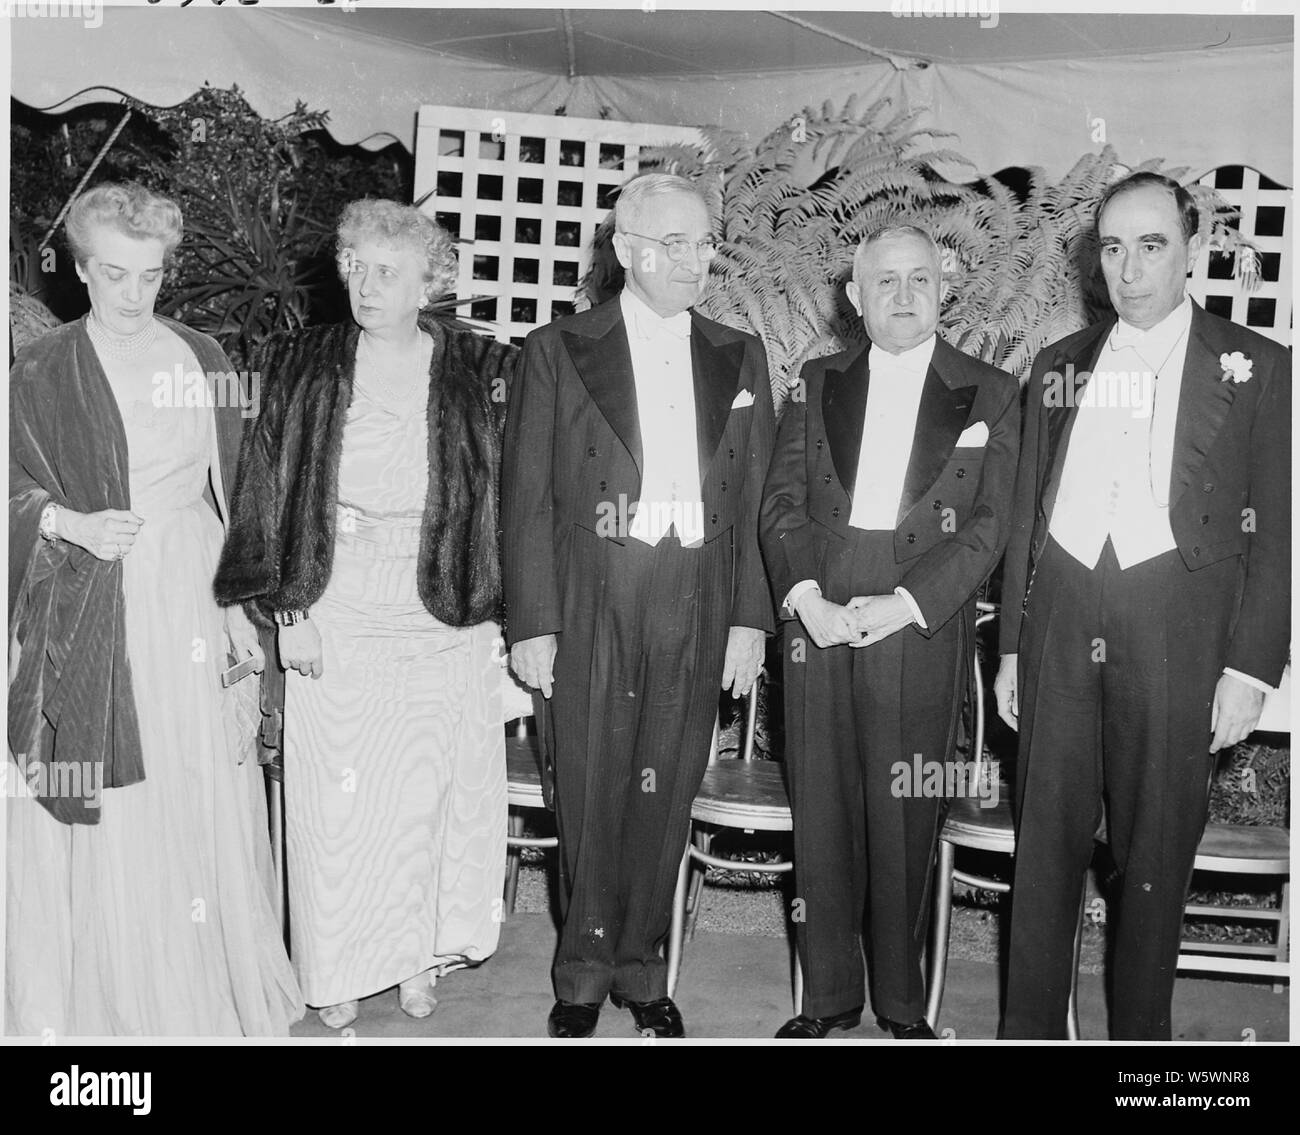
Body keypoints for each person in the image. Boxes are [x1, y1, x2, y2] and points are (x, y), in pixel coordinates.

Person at [994, 171, 1290, 1039]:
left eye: (1150, 245)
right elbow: (1025, 517)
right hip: (1060, 619)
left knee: (1153, 858)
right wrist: (1013, 644)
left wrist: (1249, 666)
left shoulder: (1257, 366)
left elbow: (1276, 529)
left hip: (1178, 630)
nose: (1129, 268)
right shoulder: (1060, 364)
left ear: (1190, 250)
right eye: (1113, 247)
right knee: (1042, 851)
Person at [7, 182, 303, 1035]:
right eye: (114, 274)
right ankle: (109, 1000)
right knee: (110, 793)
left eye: (149, 276)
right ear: (79, 270)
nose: (133, 296)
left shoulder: (206, 356)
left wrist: (246, 610)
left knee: (196, 781)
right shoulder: (42, 365)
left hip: (189, 587)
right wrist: (67, 521)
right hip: (86, 590)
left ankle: (196, 990)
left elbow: (245, 489)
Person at [214, 199, 515, 1030]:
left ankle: (415, 956)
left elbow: (514, 495)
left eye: (389, 271)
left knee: (423, 793)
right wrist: (286, 612)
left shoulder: (482, 365)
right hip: (334, 600)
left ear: (430, 280)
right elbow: (264, 490)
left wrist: (502, 609)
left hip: (441, 606)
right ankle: (339, 968)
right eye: (356, 268)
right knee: (336, 802)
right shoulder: (301, 360)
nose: (368, 285)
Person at [501, 172, 776, 1038]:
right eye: (675, 243)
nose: (697, 261)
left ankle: (644, 965)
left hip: (694, 592)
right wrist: (534, 622)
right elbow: (527, 496)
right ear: (625, 250)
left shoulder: (741, 353)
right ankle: (582, 971)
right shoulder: (558, 348)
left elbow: (763, 497)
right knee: (584, 780)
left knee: (668, 780)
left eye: (705, 243)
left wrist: (748, 619)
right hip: (591, 594)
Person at [760, 226, 1020, 1038]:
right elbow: (780, 502)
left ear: (944, 287)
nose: (903, 296)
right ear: (854, 296)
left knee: (907, 812)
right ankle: (828, 997)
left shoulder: (992, 389)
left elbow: (990, 524)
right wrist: (807, 598)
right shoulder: (814, 380)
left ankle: (903, 1005)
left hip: (918, 620)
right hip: (821, 617)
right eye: (885, 282)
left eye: (919, 280)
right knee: (824, 806)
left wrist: (907, 603)